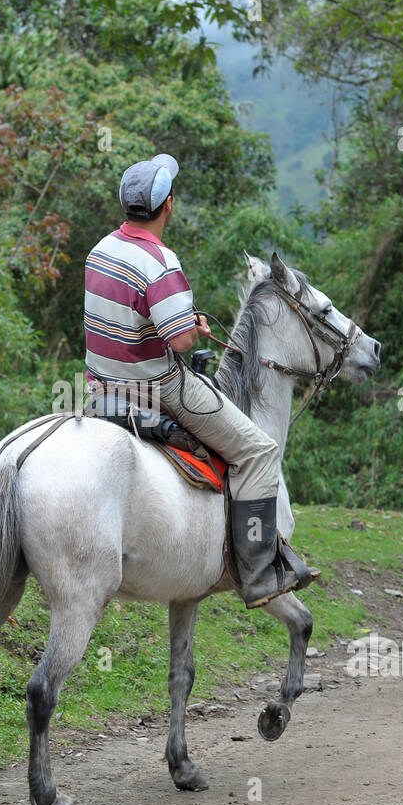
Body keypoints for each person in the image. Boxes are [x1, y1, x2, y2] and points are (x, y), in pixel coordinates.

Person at [83, 154, 317, 608]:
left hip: (100, 388)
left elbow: (126, 315)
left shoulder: (100, 251)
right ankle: (258, 570)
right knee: (258, 450)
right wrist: (192, 328)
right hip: (159, 389)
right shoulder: (161, 262)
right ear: (167, 205)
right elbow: (182, 340)